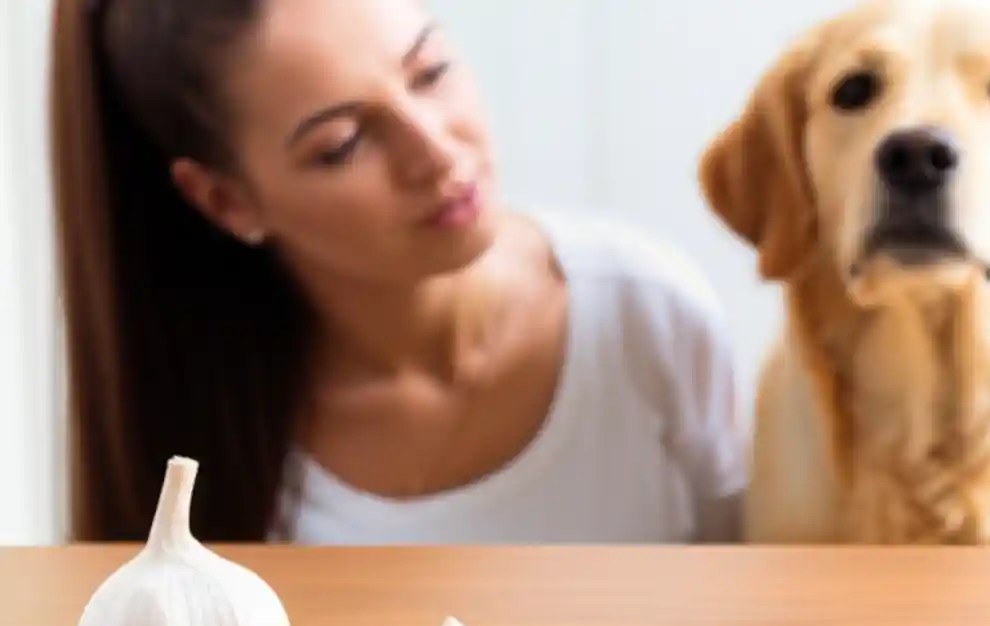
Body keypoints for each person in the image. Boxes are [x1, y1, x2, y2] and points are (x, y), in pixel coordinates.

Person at [50, 0, 745, 544]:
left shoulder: (646, 315)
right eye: (343, 144)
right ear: (227, 201)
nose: (435, 152)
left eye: (431, 72)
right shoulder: (201, 440)